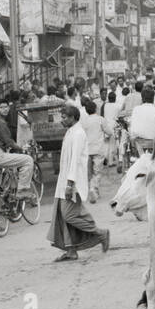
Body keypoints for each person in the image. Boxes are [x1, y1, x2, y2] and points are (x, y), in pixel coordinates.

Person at [50, 104, 110, 262]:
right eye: (61, 117)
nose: (61, 120)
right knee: (64, 216)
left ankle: (100, 233)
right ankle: (70, 251)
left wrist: (70, 184)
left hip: (72, 182)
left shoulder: (77, 134)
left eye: (64, 117)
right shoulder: (71, 132)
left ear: (73, 118)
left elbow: (75, 161)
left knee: (69, 215)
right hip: (65, 181)